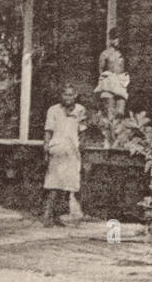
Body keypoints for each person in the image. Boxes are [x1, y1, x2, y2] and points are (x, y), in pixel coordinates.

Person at [42, 84, 87, 227]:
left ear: (75, 96)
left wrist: (81, 146)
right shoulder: (53, 110)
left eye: (70, 95)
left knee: (67, 185)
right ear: (61, 96)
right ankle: (47, 216)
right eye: (65, 94)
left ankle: (57, 216)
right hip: (57, 149)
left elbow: (83, 131)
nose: (68, 97)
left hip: (72, 151)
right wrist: (46, 147)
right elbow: (48, 130)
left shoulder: (80, 110)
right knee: (54, 183)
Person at [94, 28, 130, 146]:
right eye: (115, 38)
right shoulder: (105, 54)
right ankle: (108, 140)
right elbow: (101, 70)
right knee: (110, 112)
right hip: (109, 82)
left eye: (120, 38)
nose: (118, 41)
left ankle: (119, 140)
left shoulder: (123, 54)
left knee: (120, 111)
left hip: (120, 82)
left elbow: (126, 68)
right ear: (110, 39)